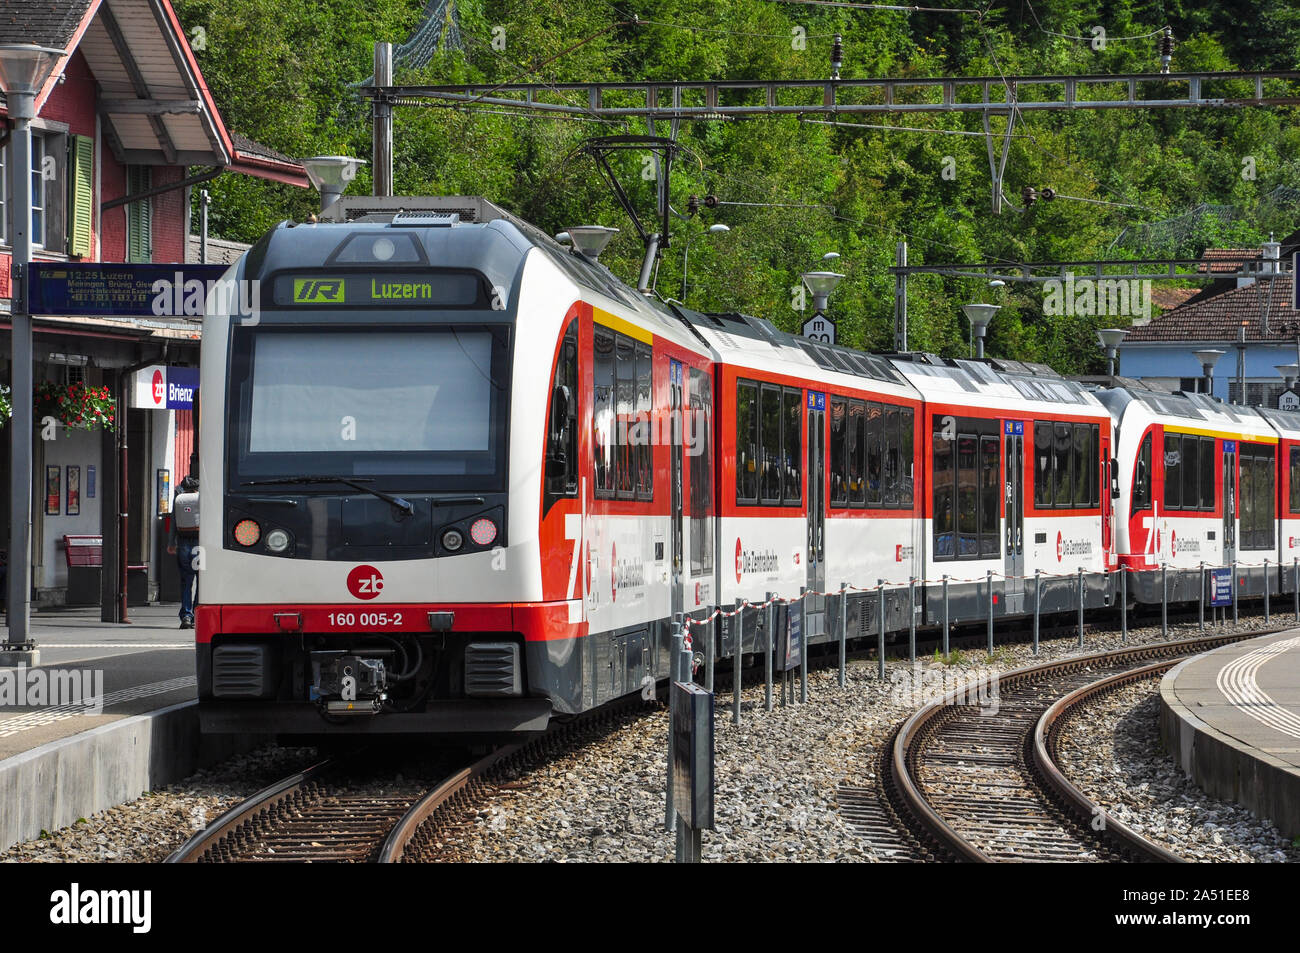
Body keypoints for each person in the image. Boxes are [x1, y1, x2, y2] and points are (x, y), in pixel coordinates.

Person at [167, 474, 199, 628]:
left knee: (186, 581)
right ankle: (196, 616)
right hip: (201, 544)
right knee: (202, 581)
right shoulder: (201, 500)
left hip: (182, 542)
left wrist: (170, 543)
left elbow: (173, 522)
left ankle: (186, 616)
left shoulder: (178, 500)